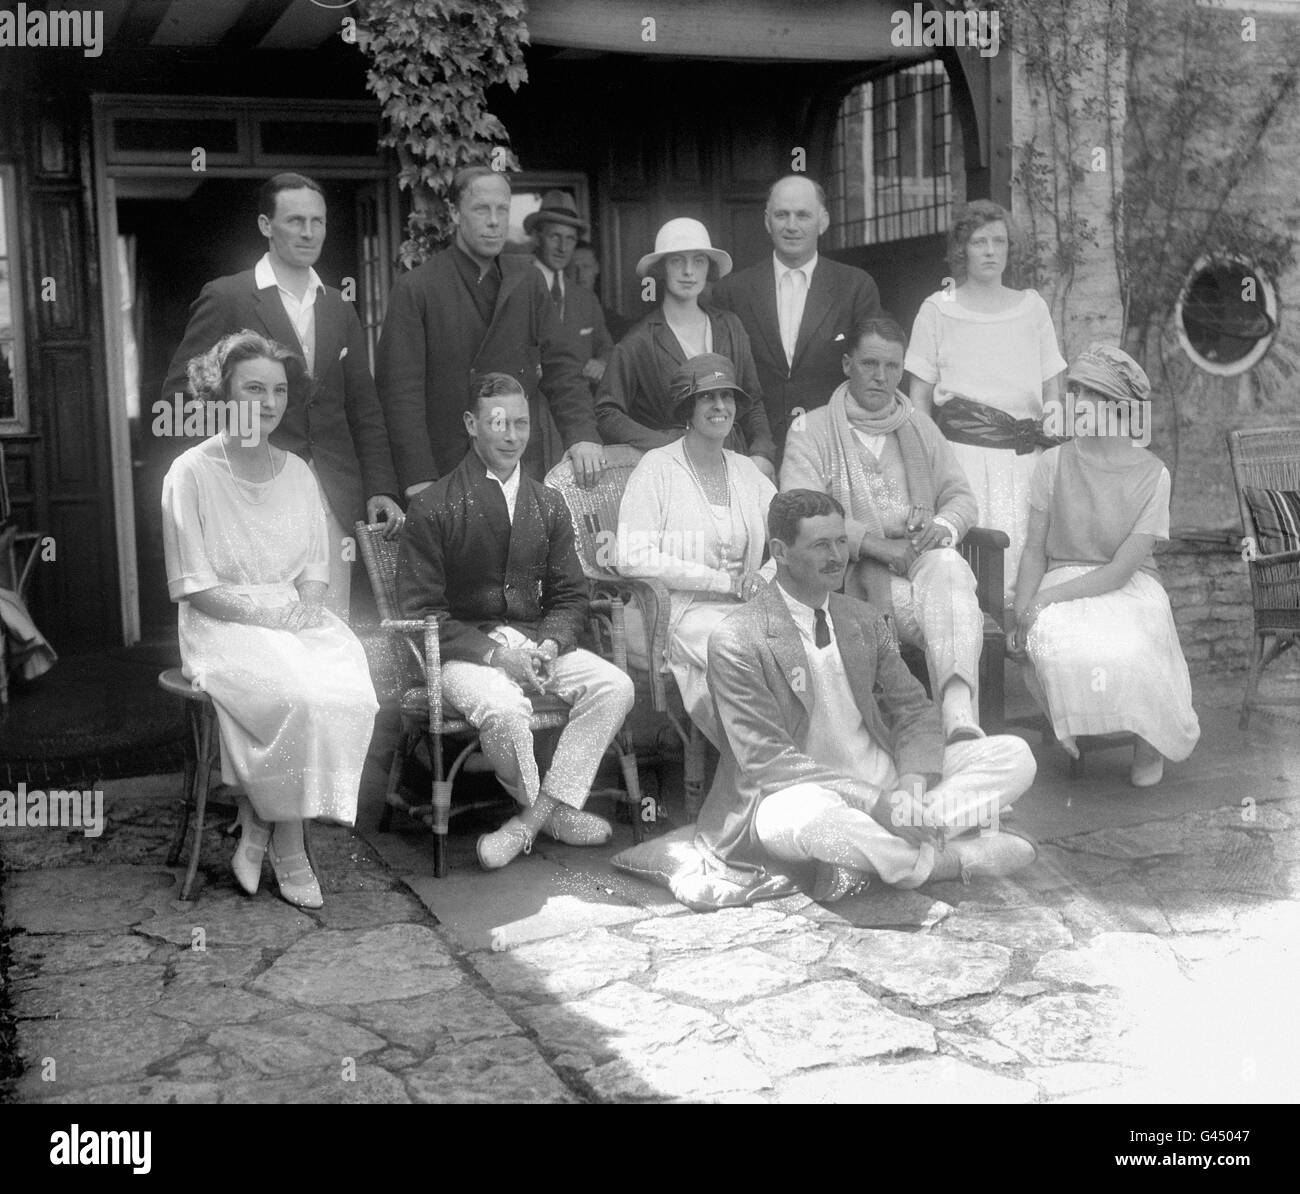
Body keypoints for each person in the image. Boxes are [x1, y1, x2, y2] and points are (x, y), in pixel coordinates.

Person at [692, 489, 1037, 905]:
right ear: (780, 552)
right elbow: (769, 763)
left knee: (1014, 755)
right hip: (796, 796)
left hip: (886, 782)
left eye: (840, 541)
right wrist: (876, 804)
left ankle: (882, 851)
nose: (837, 556)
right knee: (812, 822)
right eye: (820, 545)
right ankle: (949, 861)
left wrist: (910, 785)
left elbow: (913, 710)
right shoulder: (736, 639)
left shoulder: (862, 619)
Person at [161, 332, 379, 909]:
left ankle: (259, 824)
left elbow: (315, 565)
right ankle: (290, 847)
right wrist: (271, 617)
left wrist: (307, 606)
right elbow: (195, 588)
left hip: (289, 615)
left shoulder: (300, 472)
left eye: (278, 390)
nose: (268, 401)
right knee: (298, 694)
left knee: (348, 691)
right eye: (253, 387)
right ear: (222, 392)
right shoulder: (190, 473)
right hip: (221, 625)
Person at [396, 372, 635, 870]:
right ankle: (548, 813)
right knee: (504, 713)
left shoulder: (548, 503)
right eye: (499, 422)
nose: (511, 435)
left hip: (534, 646)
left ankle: (528, 823)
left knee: (614, 685)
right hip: (463, 654)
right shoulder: (434, 505)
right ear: (472, 424)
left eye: (521, 423)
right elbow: (421, 614)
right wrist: (496, 654)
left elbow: (571, 595)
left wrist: (549, 646)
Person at [160, 172, 403, 620]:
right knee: (258, 622)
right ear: (265, 225)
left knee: (328, 623)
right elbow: (180, 396)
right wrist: (243, 445)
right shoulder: (228, 296)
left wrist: (381, 486)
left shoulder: (338, 305)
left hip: (332, 491)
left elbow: (363, 407)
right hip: (251, 489)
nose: (309, 233)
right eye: (295, 220)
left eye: (318, 221)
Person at [780, 318, 985, 743]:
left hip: (922, 577)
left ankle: (957, 709)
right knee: (952, 600)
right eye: (869, 363)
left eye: (892, 367)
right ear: (846, 364)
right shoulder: (811, 430)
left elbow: (962, 499)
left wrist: (941, 526)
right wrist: (875, 545)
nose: (881, 376)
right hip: (849, 584)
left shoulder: (918, 426)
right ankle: (942, 735)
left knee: (948, 564)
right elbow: (798, 512)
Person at [1012, 344, 1200, 787]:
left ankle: (1148, 739)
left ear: (1119, 406)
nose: (1074, 403)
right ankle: (1073, 723)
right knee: (1060, 640)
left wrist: (1043, 599)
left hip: (1129, 582)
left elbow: (1119, 570)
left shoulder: (1154, 475)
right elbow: (1034, 549)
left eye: (1088, 393)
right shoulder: (1052, 464)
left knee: (1136, 642)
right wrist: (1022, 610)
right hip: (1063, 575)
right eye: (1073, 390)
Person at [376, 167, 605, 496]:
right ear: (455, 212)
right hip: (447, 469)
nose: (495, 220)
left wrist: (582, 434)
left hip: (518, 463)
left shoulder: (528, 281)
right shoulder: (418, 288)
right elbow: (400, 395)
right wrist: (419, 477)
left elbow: (562, 369)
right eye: (482, 209)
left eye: (503, 209)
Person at [905, 199, 1067, 603]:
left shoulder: (1032, 308)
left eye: (999, 241)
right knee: (968, 573)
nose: (991, 251)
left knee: (1022, 567)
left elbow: (1053, 386)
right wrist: (929, 464)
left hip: (1024, 462)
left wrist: (1048, 445)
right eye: (979, 242)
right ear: (962, 249)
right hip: (963, 460)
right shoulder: (937, 309)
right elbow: (918, 399)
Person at [616, 354, 777, 747]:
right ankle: (760, 766)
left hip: (745, 608)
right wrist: (722, 581)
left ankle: (778, 765)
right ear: (688, 408)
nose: (720, 407)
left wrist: (763, 577)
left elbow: (790, 537)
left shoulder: (746, 471)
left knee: (792, 652)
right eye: (708, 398)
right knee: (738, 652)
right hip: (678, 611)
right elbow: (630, 554)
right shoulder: (657, 468)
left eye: (728, 397)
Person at [595, 218, 777, 478]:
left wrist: (761, 452)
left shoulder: (730, 327)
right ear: (661, 269)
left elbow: (753, 398)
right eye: (677, 261)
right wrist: (666, 447)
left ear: (708, 269)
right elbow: (607, 412)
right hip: (676, 473)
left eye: (698, 261)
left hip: (735, 463)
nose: (688, 271)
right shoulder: (639, 341)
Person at [711, 175, 881, 450]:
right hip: (752, 450)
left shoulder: (856, 286)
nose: (791, 226)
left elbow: (872, 367)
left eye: (803, 215)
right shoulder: (732, 292)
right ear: (767, 221)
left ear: (823, 221)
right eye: (781, 215)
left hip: (832, 445)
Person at [524, 191, 614, 392]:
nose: (563, 248)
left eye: (570, 239)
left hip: (577, 410)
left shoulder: (586, 299)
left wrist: (602, 362)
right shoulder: (515, 286)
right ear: (537, 238)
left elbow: (607, 348)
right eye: (555, 236)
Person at [569, 240, 635, 341]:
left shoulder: (614, 322)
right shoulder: (554, 315)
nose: (580, 274)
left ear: (597, 268)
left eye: (586, 266)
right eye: (573, 268)